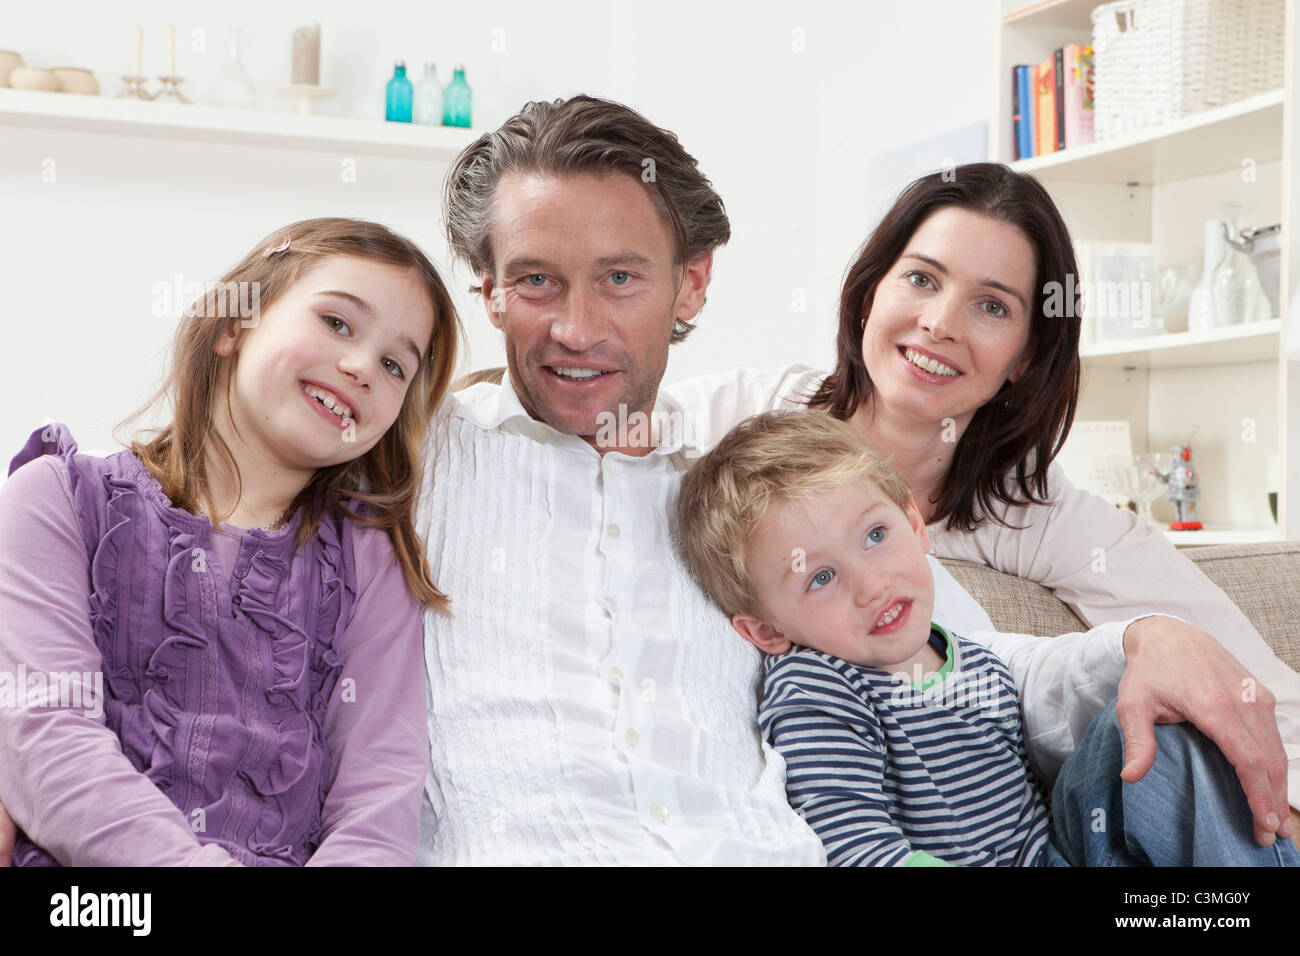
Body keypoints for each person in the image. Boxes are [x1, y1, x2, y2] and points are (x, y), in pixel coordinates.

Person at [664, 163, 1300, 848]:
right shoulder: (732, 419)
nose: (939, 323)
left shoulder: (1030, 507)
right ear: (869, 293)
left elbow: (1240, 672)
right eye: (921, 279)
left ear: (1025, 356)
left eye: (992, 305)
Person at [0, 218, 461, 865]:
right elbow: (49, 738)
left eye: (394, 365)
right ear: (234, 324)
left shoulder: (371, 562)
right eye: (337, 322)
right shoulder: (56, 500)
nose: (361, 367)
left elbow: (377, 800)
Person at [677, 409, 1300, 866]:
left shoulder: (973, 657)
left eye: (874, 536)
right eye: (820, 577)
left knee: (1156, 727)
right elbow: (855, 846)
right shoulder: (818, 686)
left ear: (914, 524)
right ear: (766, 629)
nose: (870, 585)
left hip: (1068, 851)